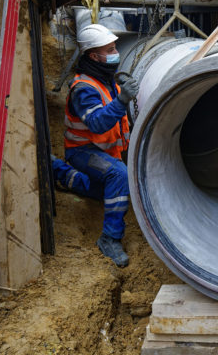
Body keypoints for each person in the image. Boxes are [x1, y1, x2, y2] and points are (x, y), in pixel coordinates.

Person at [57, 24, 139, 267]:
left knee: (108, 190)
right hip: (82, 151)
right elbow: (96, 123)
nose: (116, 52)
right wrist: (123, 98)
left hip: (104, 151)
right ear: (94, 56)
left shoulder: (102, 78)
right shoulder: (83, 88)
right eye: (111, 49)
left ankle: (59, 172)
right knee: (119, 176)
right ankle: (109, 239)